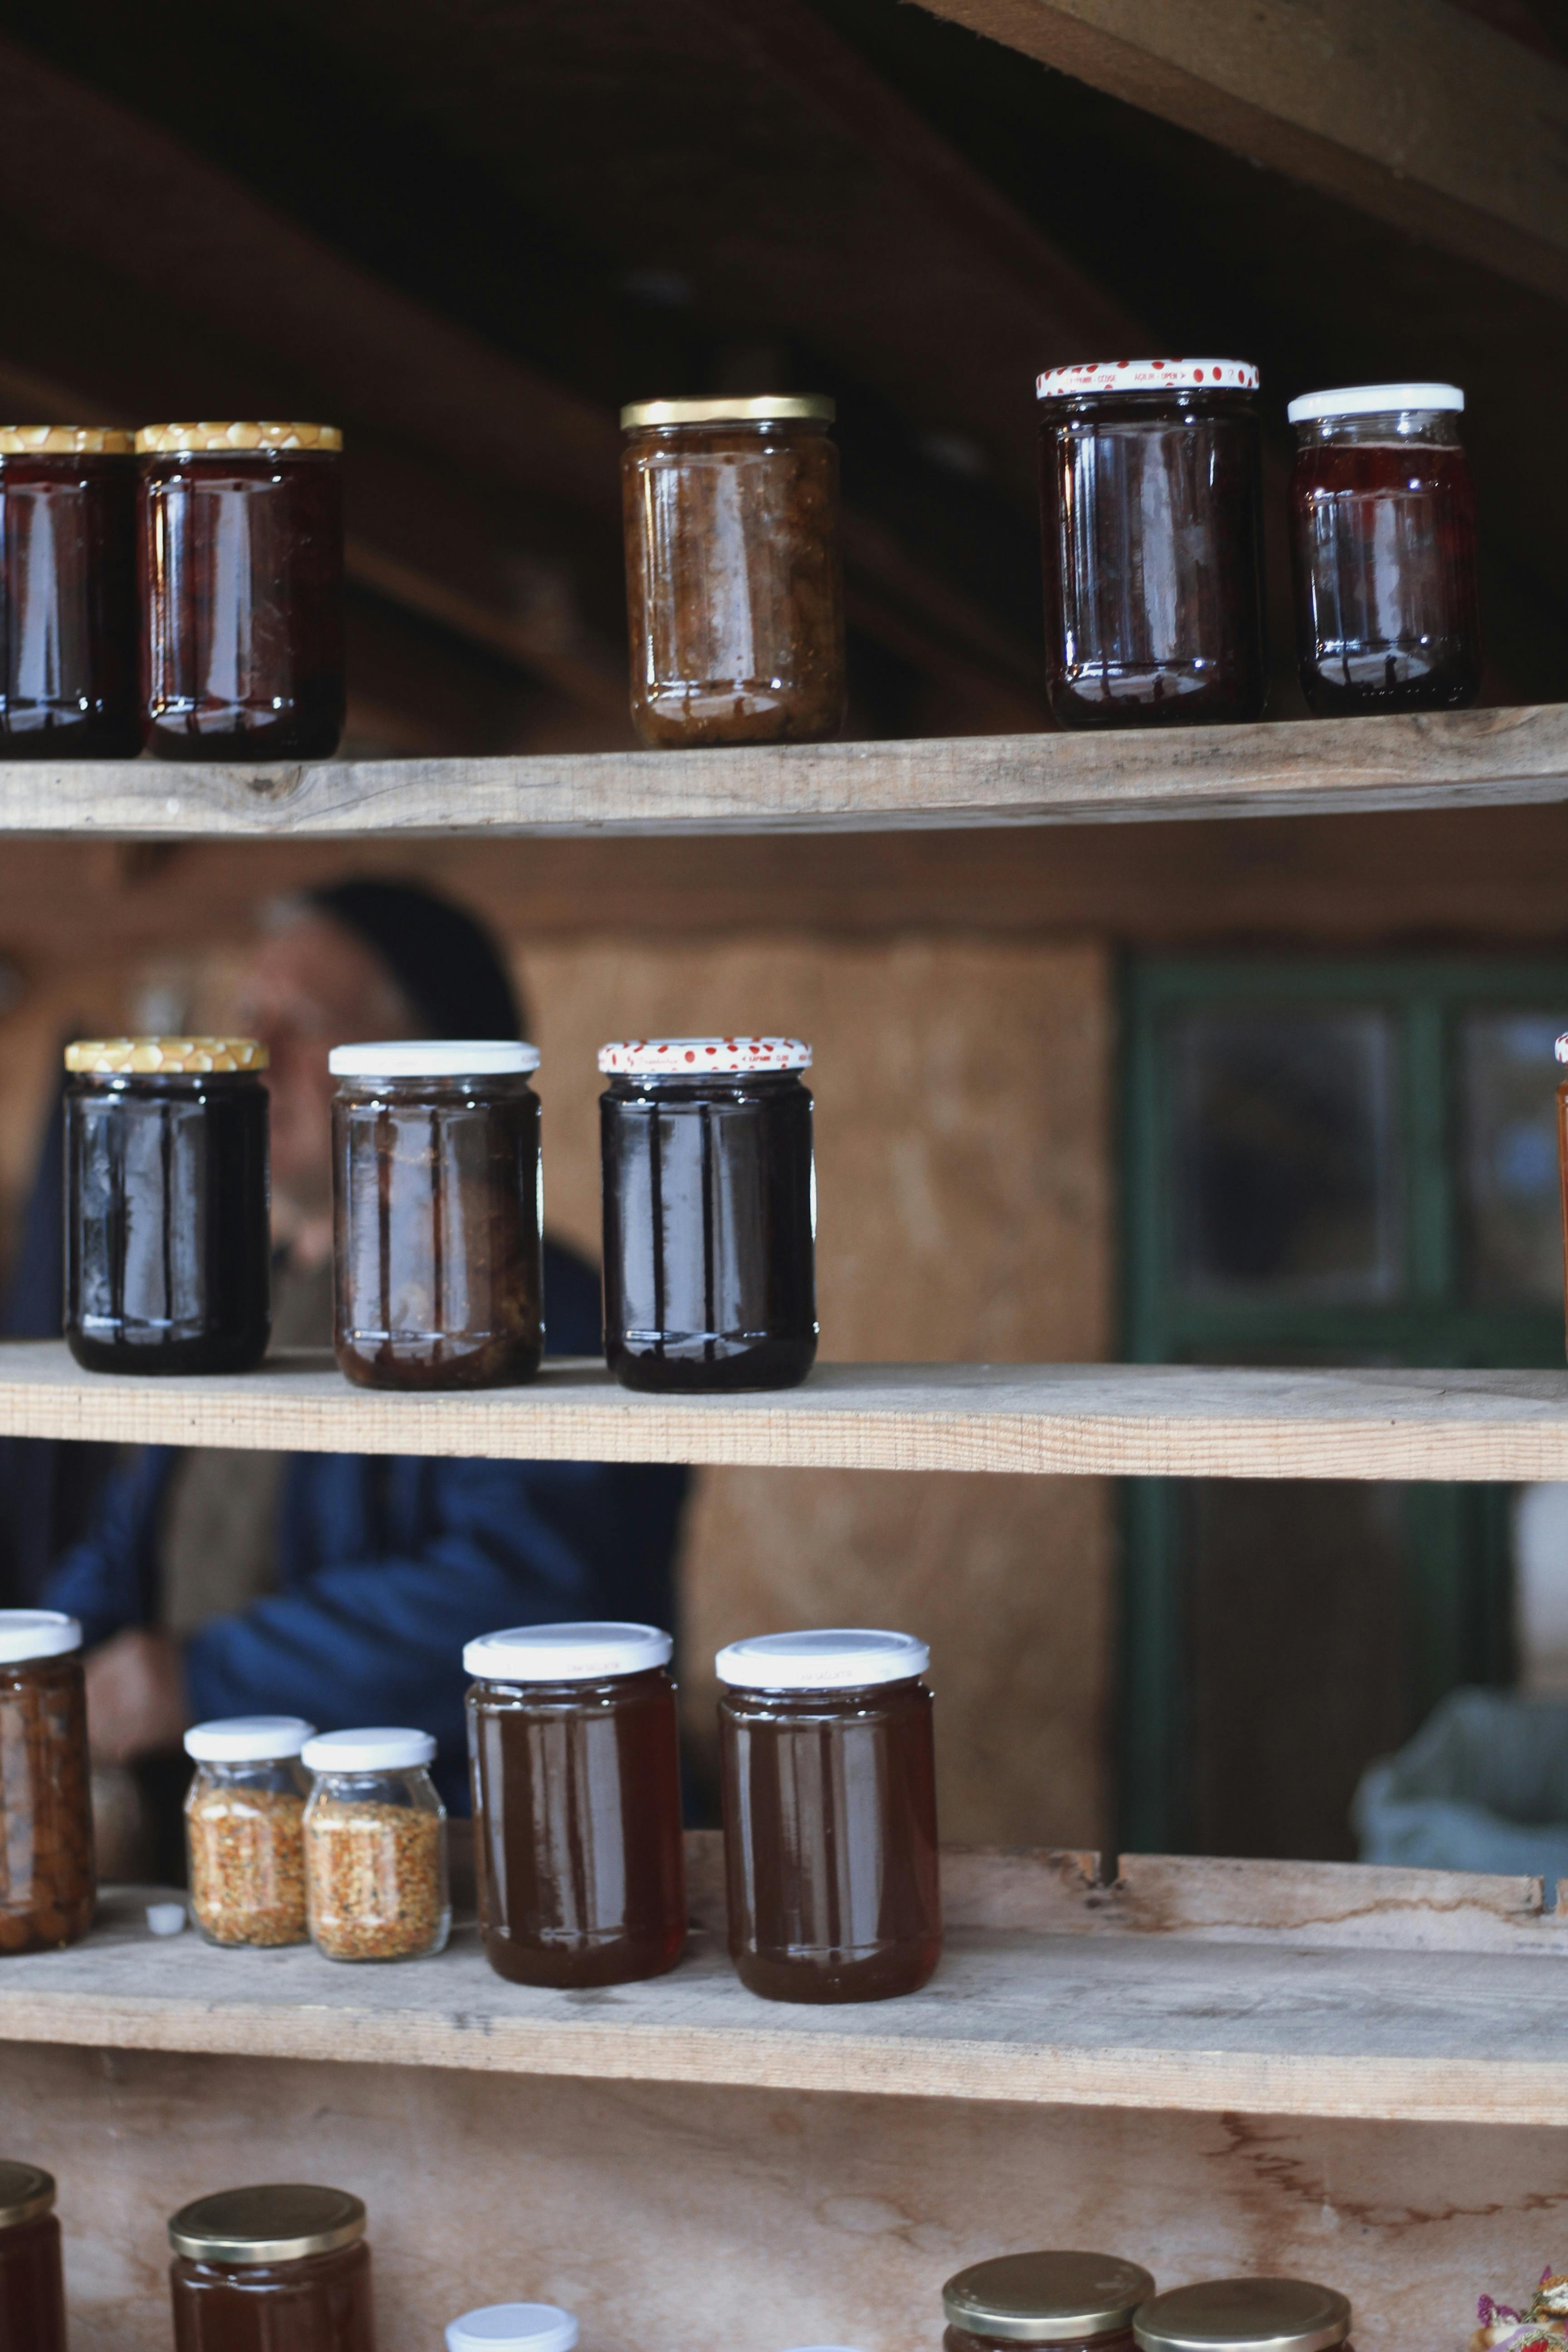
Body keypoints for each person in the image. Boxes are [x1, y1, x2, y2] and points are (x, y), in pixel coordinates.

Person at [42, 880, 686, 1834]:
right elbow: (127, 1537)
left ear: (428, 1076)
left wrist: (198, 1679)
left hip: (456, 1845)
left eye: (302, 1026)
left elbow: (529, 1583)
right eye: (247, 1018)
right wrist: (51, 1663)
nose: (253, 1057)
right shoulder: (227, 1301)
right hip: (230, 1842)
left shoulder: (538, 1309)